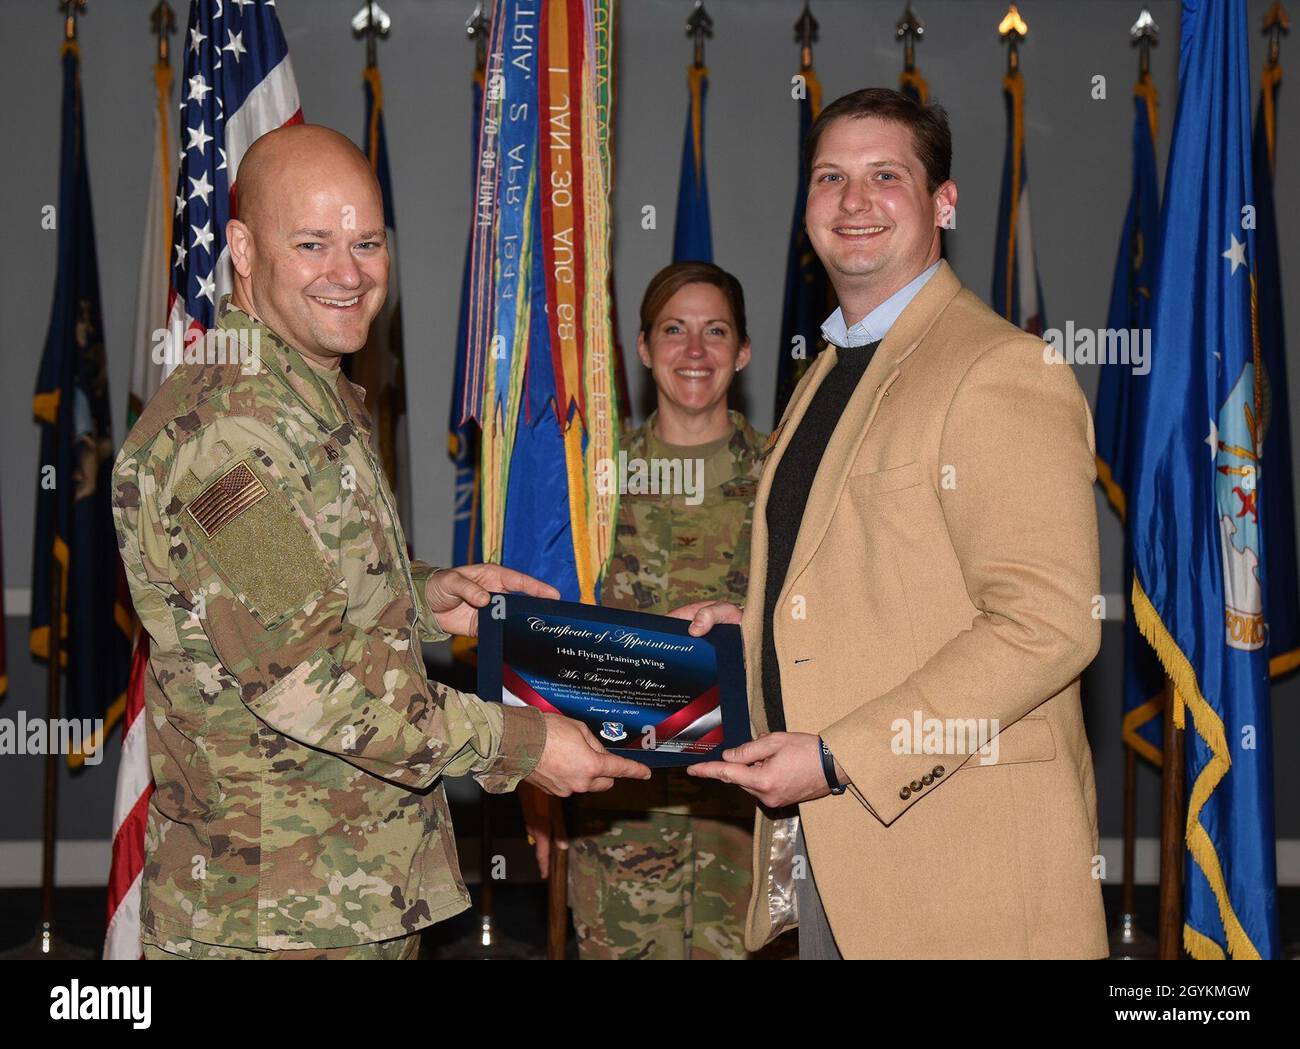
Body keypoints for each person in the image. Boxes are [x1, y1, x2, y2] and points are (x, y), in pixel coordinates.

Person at [112, 124, 648, 960]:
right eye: (313, 243)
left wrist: (427, 592)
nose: (348, 271)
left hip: (345, 888)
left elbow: (301, 589)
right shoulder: (228, 431)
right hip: (274, 916)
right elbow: (307, 677)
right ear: (245, 251)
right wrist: (524, 744)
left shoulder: (305, 393)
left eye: (366, 241)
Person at [676, 88, 1108, 959]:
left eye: (886, 176)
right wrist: (751, 628)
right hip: (844, 854)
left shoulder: (999, 368)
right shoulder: (829, 372)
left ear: (942, 203)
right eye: (831, 176)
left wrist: (839, 756)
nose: (853, 200)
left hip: (960, 861)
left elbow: (1048, 626)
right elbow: (868, 576)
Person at [522, 262, 767, 959]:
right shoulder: (589, 487)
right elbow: (544, 641)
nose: (695, 351)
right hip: (615, 817)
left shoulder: (787, 479)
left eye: (716, 331)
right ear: (642, 347)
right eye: (674, 330)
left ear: (743, 350)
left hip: (749, 817)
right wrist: (534, 787)